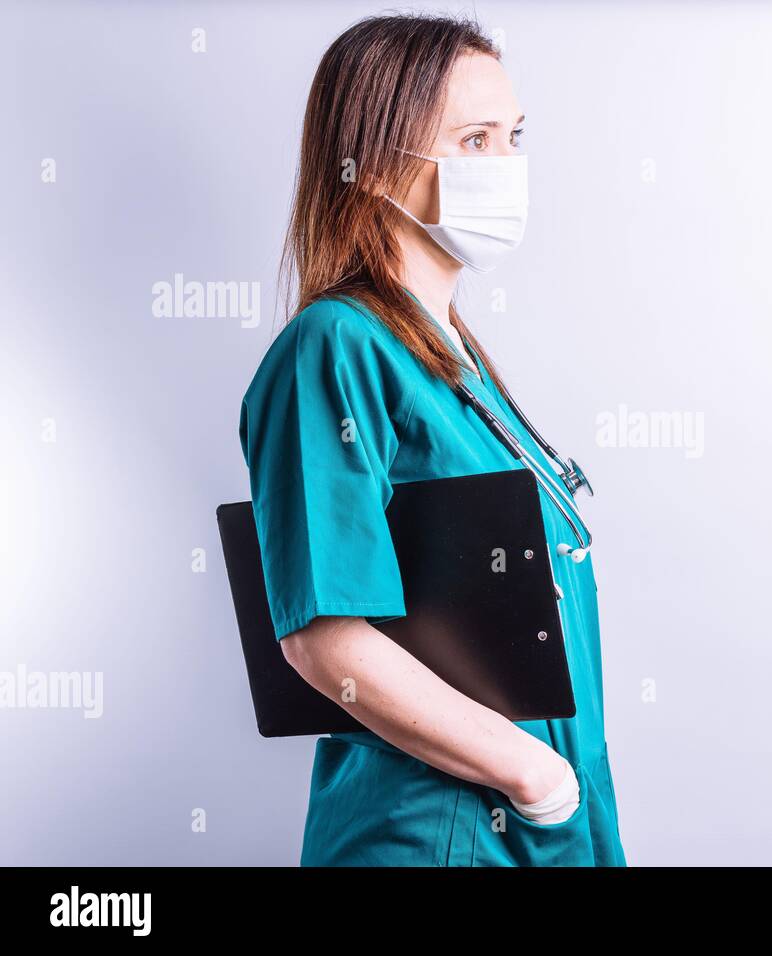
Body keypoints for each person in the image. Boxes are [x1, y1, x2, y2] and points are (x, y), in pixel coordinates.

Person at [237, 12, 626, 867]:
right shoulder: (334, 348)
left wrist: (562, 796)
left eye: (514, 137)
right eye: (476, 140)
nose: (508, 166)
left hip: (541, 824)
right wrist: (533, 777)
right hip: (437, 831)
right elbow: (322, 635)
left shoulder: (453, 357)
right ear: (375, 165)